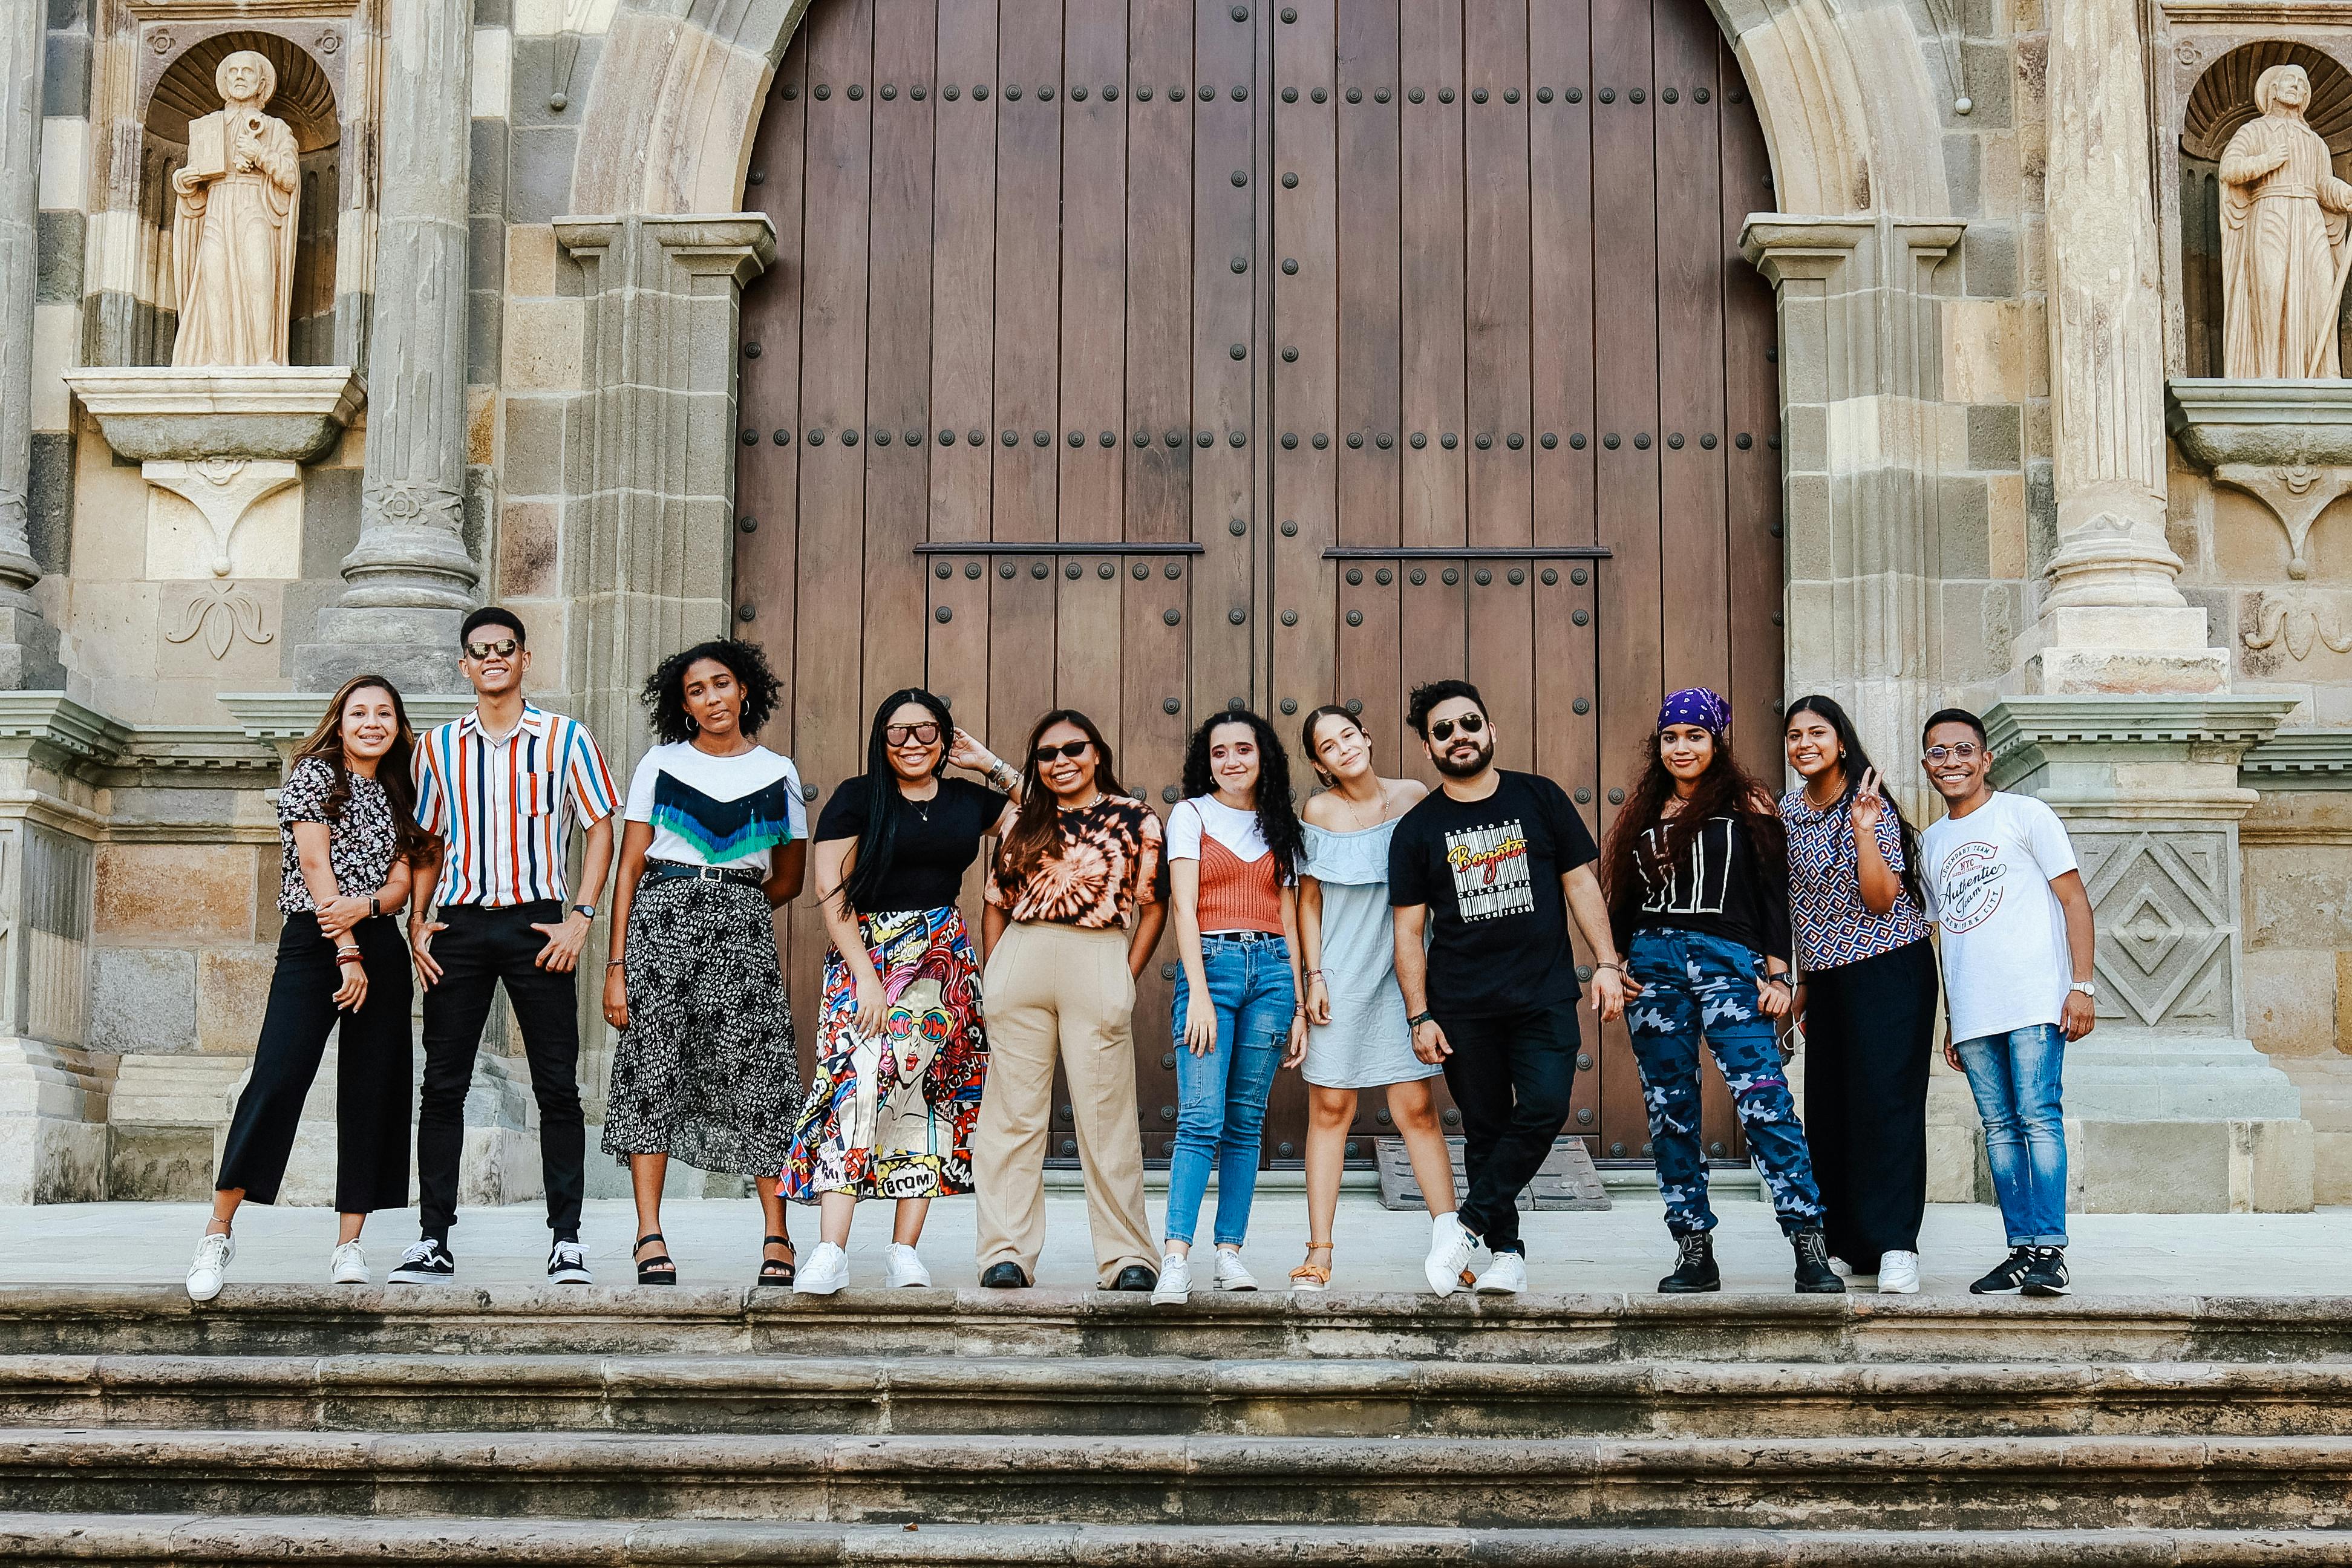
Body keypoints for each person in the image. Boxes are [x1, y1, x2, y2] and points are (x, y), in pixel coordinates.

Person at [395, 607, 617, 1287]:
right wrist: (417, 919)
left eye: (505, 648)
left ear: (525, 660)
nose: (493, 659)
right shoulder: (435, 747)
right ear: (464, 665)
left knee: (557, 1086)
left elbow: (601, 828)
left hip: (537, 925)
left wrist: (582, 917)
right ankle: (433, 1238)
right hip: (457, 928)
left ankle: (567, 1241)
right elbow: (427, 843)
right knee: (442, 1086)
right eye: (480, 650)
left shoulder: (564, 739)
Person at [187, 677, 426, 1301]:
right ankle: (218, 1231)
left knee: (374, 1088)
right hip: (315, 938)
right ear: (339, 721)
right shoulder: (314, 774)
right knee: (277, 1076)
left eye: (384, 713)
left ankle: (350, 1243)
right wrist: (345, 946)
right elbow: (315, 866)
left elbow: (401, 885)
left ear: (398, 726)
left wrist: (368, 911)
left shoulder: (405, 790)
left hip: (378, 937)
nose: (371, 722)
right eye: (359, 712)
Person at [1389, 679, 1629, 1297]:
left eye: (1469, 723)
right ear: (1427, 748)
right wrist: (1420, 1016)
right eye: (1443, 731)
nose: (1458, 736)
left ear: (1491, 730)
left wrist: (1606, 961)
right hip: (1462, 1007)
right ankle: (1506, 1253)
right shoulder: (1416, 831)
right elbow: (1410, 933)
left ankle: (1467, 1227)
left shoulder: (1541, 799)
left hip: (1543, 995)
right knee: (1486, 1129)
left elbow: (1581, 885)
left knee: (1547, 1107)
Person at [1602, 688, 1840, 1295]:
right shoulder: (1644, 808)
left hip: (1730, 963)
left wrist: (1781, 974)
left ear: (1716, 741)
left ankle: (1809, 1245)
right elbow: (1624, 902)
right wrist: (1616, 960)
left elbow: (1771, 893)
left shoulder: (1747, 801)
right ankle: (1693, 1251)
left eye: (1695, 736)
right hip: (1653, 970)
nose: (1682, 747)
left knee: (1765, 1102)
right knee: (1670, 1112)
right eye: (1671, 737)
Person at [785, 690, 1020, 1294]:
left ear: (945, 738)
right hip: (866, 953)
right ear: (879, 739)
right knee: (853, 1089)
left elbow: (1052, 812)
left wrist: (988, 763)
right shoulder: (856, 798)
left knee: (927, 1099)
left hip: (941, 958)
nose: (912, 744)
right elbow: (831, 891)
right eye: (898, 733)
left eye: (926, 732)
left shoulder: (968, 800)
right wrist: (864, 974)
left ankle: (903, 1252)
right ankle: (831, 1252)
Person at [600, 639, 808, 1288]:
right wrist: (616, 965)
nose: (713, 698)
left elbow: (790, 879)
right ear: (683, 704)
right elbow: (629, 867)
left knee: (762, 1075)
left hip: (742, 935)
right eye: (697, 690)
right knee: (653, 1068)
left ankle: (778, 1234)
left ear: (745, 689)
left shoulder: (780, 772)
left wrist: (731, 904)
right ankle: (649, 1233)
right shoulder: (660, 764)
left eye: (722, 684)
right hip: (661, 926)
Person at [973, 709, 1168, 1292]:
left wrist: (1123, 974)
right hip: (1022, 959)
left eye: (1073, 749)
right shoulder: (1022, 821)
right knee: (1012, 1117)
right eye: (1048, 754)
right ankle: (1004, 1253)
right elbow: (995, 902)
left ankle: (1127, 1256)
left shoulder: (1135, 818)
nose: (1061, 762)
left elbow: (1152, 905)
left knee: (1107, 1118)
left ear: (1097, 753)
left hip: (1099, 956)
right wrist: (995, 972)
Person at [1918, 707, 2098, 1298]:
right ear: (1927, 765)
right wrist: (1952, 1017)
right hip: (1975, 1013)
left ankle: (2051, 1250)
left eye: (1963, 750)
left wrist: (2081, 985)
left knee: (2037, 1118)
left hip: (2033, 1000)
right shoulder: (1932, 845)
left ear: (1986, 759)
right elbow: (1942, 936)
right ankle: (2021, 1252)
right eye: (1939, 753)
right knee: (1998, 1129)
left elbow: (2074, 901)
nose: (1952, 762)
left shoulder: (2025, 815)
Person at [1289, 705, 1457, 1294]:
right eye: (1328, 747)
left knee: (1417, 1110)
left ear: (1367, 736)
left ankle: (1452, 1244)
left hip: (1405, 975)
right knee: (1331, 1111)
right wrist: (1312, 977)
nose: (1343, 749)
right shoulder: (1319, 810)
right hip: (1342, 972)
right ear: (1319, 763)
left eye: (1348, 736)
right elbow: (1307, 901)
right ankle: (1320, 1253)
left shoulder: (1415, 795)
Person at [1780, 694, 1939, 1294]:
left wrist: (1865, 831)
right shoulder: (1788, 811)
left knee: (1887, 1105)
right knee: (1830, 1109)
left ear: (1841, 742)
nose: (1804, 744)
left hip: (1888, 968)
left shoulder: (1869, 805)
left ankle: (1897, 1243)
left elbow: (1879, 899)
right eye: (1794, 735)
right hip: (1827, 979)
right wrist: (1800, 979)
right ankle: (1850, 1242)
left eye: (1816, 733)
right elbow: (1797, 904)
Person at [1152, 710, 1307, 1305]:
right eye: (1220, 752)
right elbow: (1184, 909)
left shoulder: (1280, 824)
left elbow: (1290, 917)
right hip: (1211, 970)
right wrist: (1197, 993)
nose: (1232, 760)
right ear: (1206, 761)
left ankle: (1229, 1253)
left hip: (1272, 972)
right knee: (1200, 1118)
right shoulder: (1191, 815)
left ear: (1264, 755)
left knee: (1245, 1121)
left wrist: (1296, 1005)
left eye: (1244, 749)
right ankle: (1176, 1259)